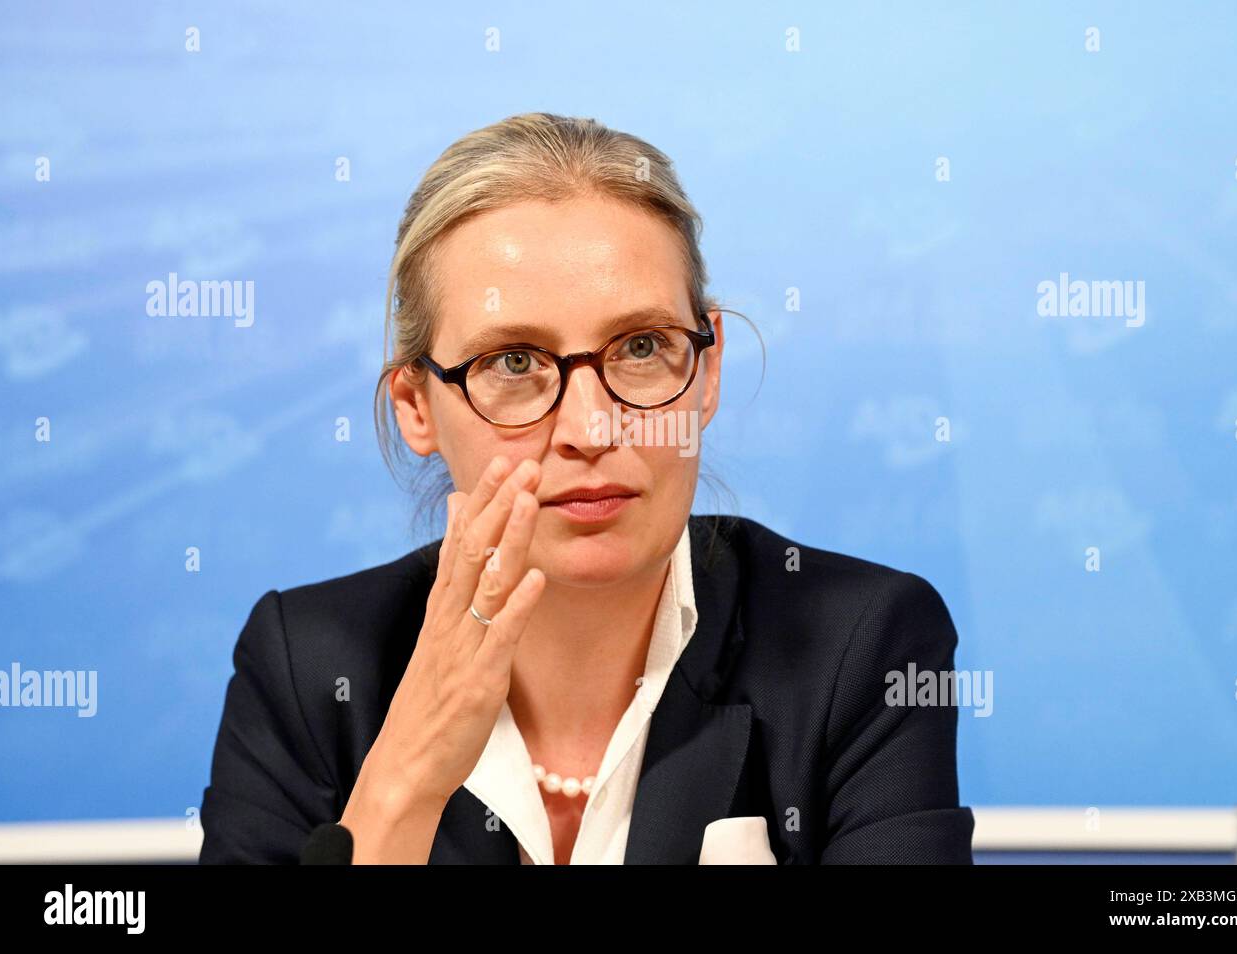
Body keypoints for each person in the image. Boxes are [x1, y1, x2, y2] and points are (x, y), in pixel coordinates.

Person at [197, 112, 974, 865]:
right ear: (415, 406)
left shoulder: (860, 645)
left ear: (705, 370)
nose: (591, 428)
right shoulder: (305, 668)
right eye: (512, 362)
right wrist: (404, 778)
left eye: (641, 347)